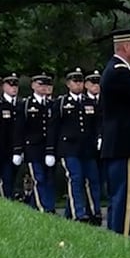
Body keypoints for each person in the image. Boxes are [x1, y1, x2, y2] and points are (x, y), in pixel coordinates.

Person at [100, 27, 130, 236]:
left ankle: (117, 238)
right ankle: (123, 241)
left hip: (120, 143)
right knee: (127, 198)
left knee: (121, 196)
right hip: (124, 144)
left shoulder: (118, 70)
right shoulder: (119, 72)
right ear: (125, 46)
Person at [50, 67, 98, 223]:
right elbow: (53, 127)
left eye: (80, 81)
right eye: (75, 81)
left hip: (87, 147)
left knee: (92, 179)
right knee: (75, 178)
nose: (78, 85)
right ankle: (79, 212)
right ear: (68, 84)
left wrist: (99, 138)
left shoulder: (89, 102)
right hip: (68, 148)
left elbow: (96, 124)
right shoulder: (62, 102)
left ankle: (93, 211)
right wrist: (51, 150)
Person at [14, 71, 58, 211]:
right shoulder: (26, 105)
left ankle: (47, 206)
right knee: (39, 178)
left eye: (46, 84)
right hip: (32, 148)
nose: (44, 87)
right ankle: (43, 207)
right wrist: (18, 150)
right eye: (40, 84)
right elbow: (19, 128)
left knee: (50, 179)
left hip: (49, 148)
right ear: (33, 85)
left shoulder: (52, 104)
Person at [83, 69, 104, 225]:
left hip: (104, 145)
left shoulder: (105, 100)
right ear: (86, 85)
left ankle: (95, 210)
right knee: (87, 179)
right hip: (87, 147)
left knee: (98, 180)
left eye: (98, 83)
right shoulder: (82, 101)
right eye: (93, 83)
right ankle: (88, 210)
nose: (96, 86)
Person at [0, 73, 23, 199]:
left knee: (14, 177)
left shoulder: (22, 104)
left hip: (18, 148)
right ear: (4, 86)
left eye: (15, 85)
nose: (14, 88)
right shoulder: (0, 104)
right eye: (10, 85)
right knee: (5, 178)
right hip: (3, 148)